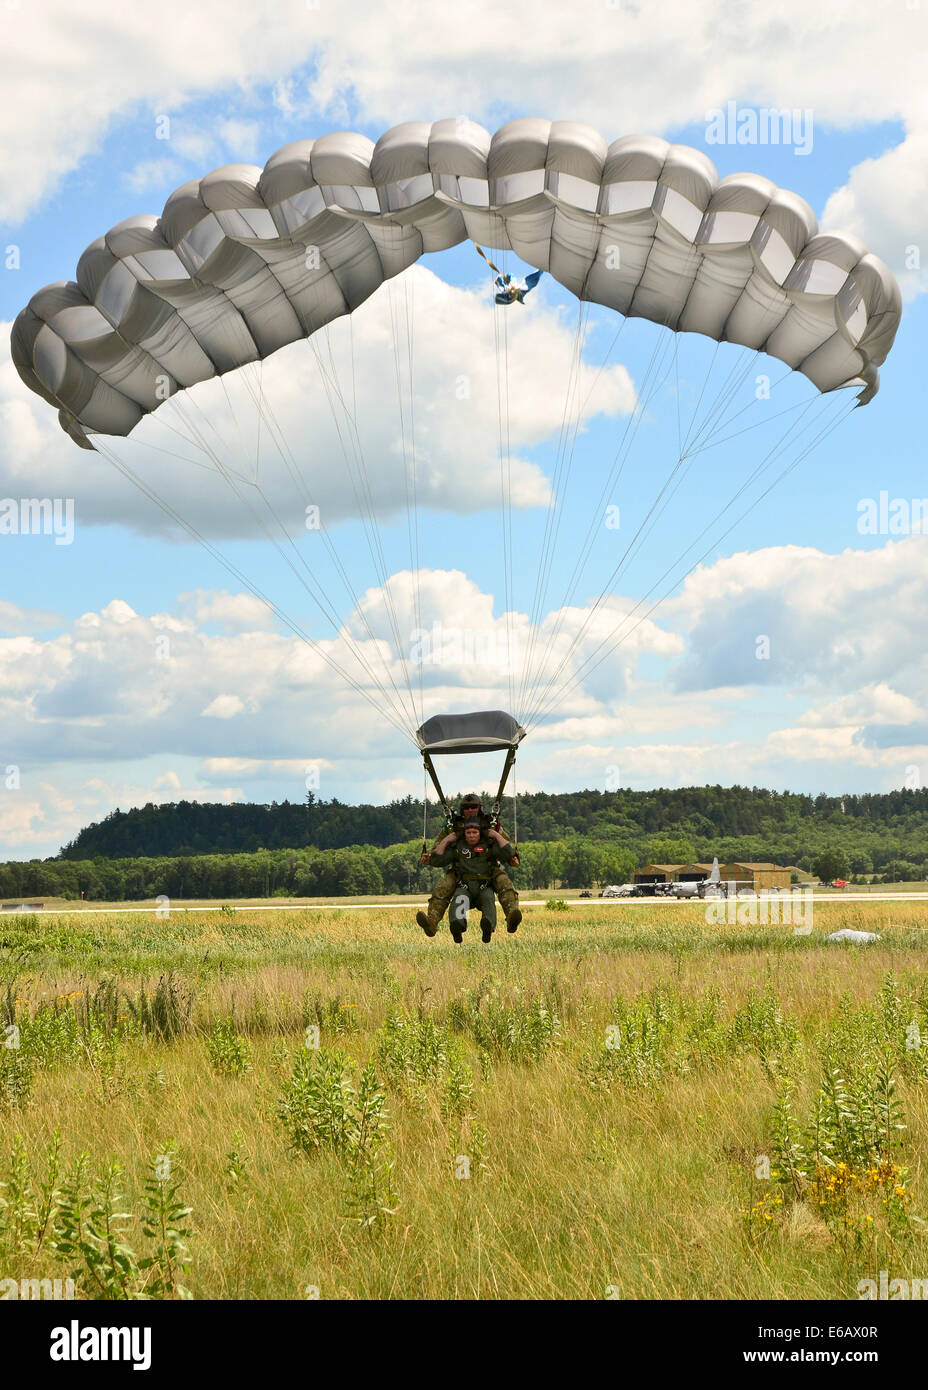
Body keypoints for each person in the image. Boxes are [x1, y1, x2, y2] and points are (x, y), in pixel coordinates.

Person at [417, 793, 522, 936]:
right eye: (467, 808)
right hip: (460, 869)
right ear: (462, 810)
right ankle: (431, 922)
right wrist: (429, 857)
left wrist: (512, 858)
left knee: (505, 883)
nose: (470, 810)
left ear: (479, 808)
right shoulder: (452, 827)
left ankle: (512, 917)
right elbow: (437, 849)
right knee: (443, 887)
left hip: (489, 868)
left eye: (474, 807)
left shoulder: (491, 824)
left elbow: (507, 847)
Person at [430, 822, 513, 943]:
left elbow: (508, 853)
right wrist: (446, 840)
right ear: (464, 834)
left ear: (480, 834)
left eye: (475, 832)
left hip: (484, 886)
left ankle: (488, 928)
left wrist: (496, 835)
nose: (472, 835)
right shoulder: (458, 847)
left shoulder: (488, 845)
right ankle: (457, 928)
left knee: (488, 899)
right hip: (465, 887)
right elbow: (436, 860)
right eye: (468, 833)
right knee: (459, 898)